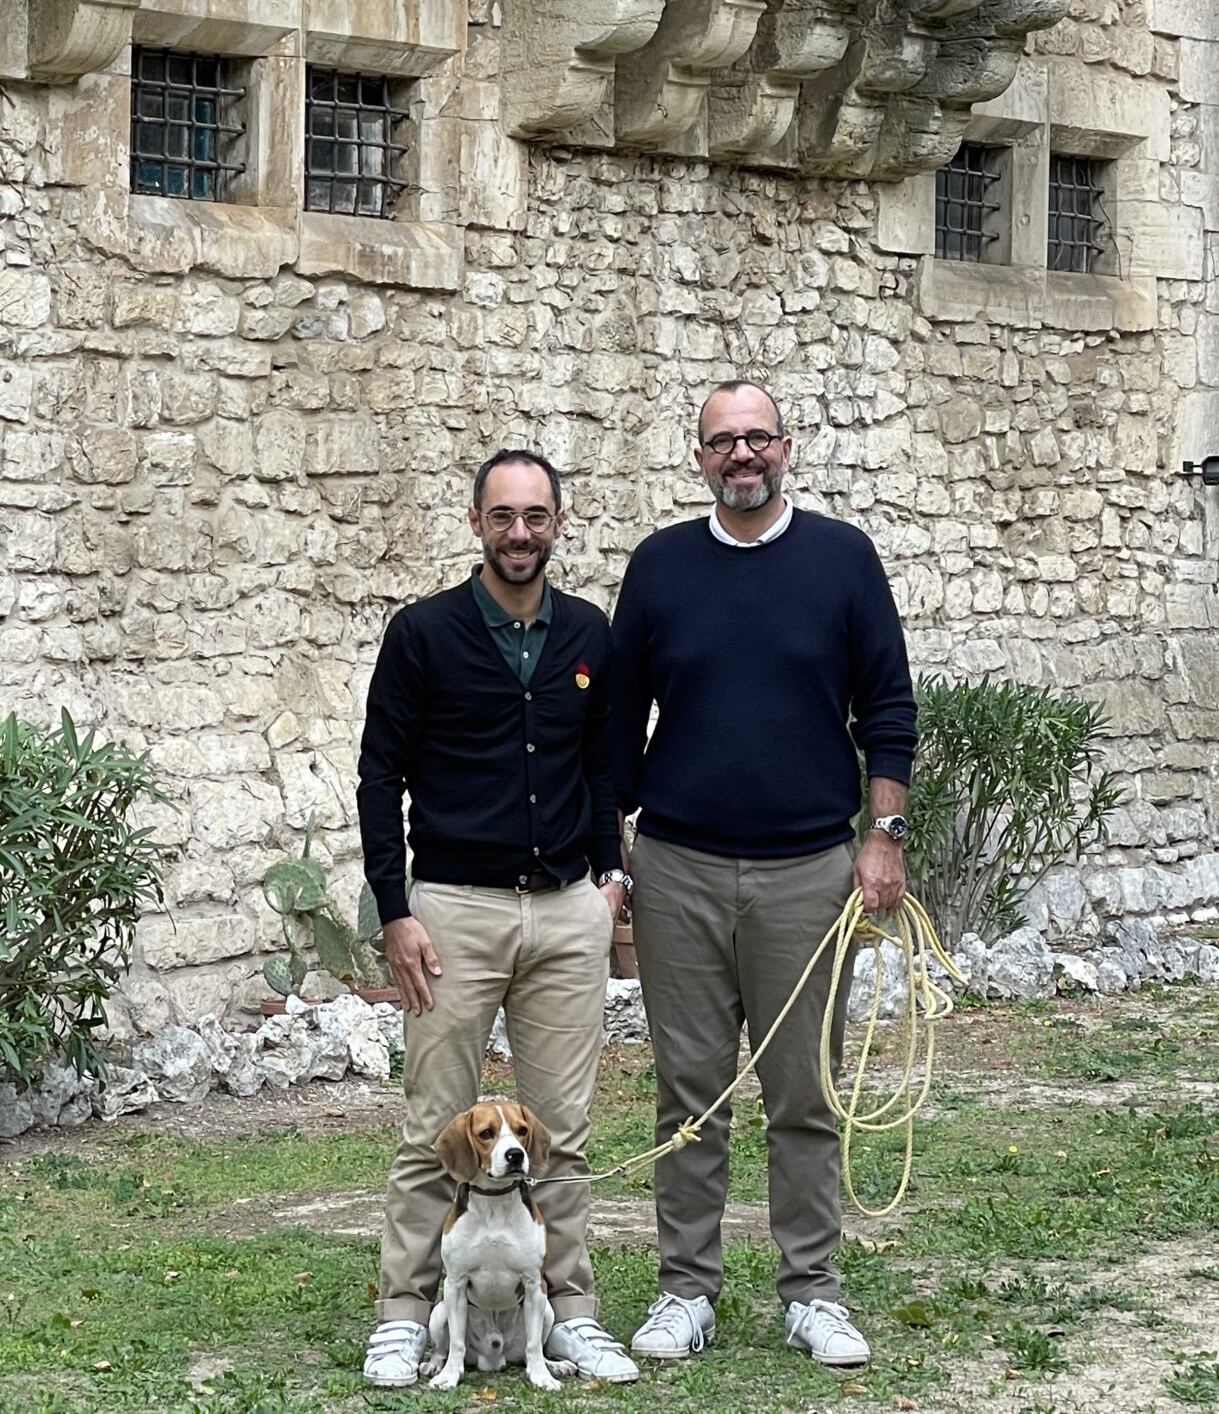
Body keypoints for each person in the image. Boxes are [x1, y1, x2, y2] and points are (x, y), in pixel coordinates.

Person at [605, 380, 916, 1370]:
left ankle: (810, 1293)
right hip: (679, 868)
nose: (741, 456)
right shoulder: (657, 567)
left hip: (804, 872)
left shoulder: (841, 560)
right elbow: (617, 717)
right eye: (720, 442)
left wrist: (883, 836)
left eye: (757, 438)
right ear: (697, 458)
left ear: (787, 448)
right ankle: (683, 1292)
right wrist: (609, 851)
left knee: (804, 1094)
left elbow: (888, 706)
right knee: (687, 1093)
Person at [356, 449, 640, 1388]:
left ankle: (567, 1312)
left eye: (537, 516)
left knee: (559, 1129)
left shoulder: (588, 635)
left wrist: (609, 879)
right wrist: (396, 911)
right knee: (434, 1122)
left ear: (559, 522)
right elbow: (379, 776)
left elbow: (604, 771)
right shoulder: (424, 634)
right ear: (477, 523)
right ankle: (406, 1313)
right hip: (455, 911)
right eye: (503, 517)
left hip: (566, 911)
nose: (521, 533)